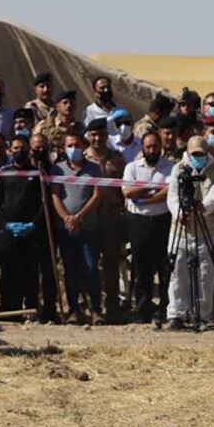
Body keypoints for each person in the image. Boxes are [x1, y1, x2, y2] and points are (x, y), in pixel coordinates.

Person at [0, 132, 57, 321]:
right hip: (8, 232)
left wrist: (33, 225)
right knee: (7, 274)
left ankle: (30, 311)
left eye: (23, 148)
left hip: (31, 233)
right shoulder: (2, 173)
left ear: (29, 150)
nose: (20, 151)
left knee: (30, 274)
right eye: (16, 148)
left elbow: (44, 203)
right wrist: (5, 225)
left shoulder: (38, 173)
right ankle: (6, 312)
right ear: (10, 150)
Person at [164, 135, 214, 328]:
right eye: (194, 154)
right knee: (177, 271)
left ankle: (202, 314)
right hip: (181, 229)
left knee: (206, 274)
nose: (197, 157)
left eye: (201, 153)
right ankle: (176, 314)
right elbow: (172, 195)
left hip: (207, 227)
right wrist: (178, 213)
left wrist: (203, 206)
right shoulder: (178, 169)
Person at [50, 129, 105, 324]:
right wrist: (67, 218)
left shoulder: (95, 168)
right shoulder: (57, 169)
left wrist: (80, 217)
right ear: (64, 148)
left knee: (90, 268)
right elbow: (55, 195)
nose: (74, 149)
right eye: (70, 145)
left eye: (77, 145)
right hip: (65, 229)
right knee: (70, 269)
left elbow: (97, 195)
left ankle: (96, 310)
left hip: (88, 226)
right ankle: (74, 309)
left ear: (84, 146)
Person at [122, 130, 174, 324]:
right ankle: (142, 311)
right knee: (141, 269)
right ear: (143, 148)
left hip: (163, 221)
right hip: (138, 222)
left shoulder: (169, 166)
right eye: (148, 146)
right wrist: (151, 188)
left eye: (155, 146)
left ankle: (166, 310)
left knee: (165, 267)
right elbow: (128, 192)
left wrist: (144, 196)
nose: (152, 150)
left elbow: (169, 191)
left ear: (160, 148)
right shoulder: (132, 167)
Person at [84, 118, 128, 319]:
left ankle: (112, 307)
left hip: (111, 219)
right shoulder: (83, 159)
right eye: (93, 134)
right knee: (89, 265)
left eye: (101, 134)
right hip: (89, 220)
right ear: (88, 136)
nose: (97, 138)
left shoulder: (117, 159)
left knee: (111, 265)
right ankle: (92, 307)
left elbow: (123, 189)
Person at [35, 90, 78, 155]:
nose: (69, 105)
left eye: (71, 103)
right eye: (65, 103)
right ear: (57, 107)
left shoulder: (79, 128)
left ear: (75, 106)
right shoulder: (43, 126)